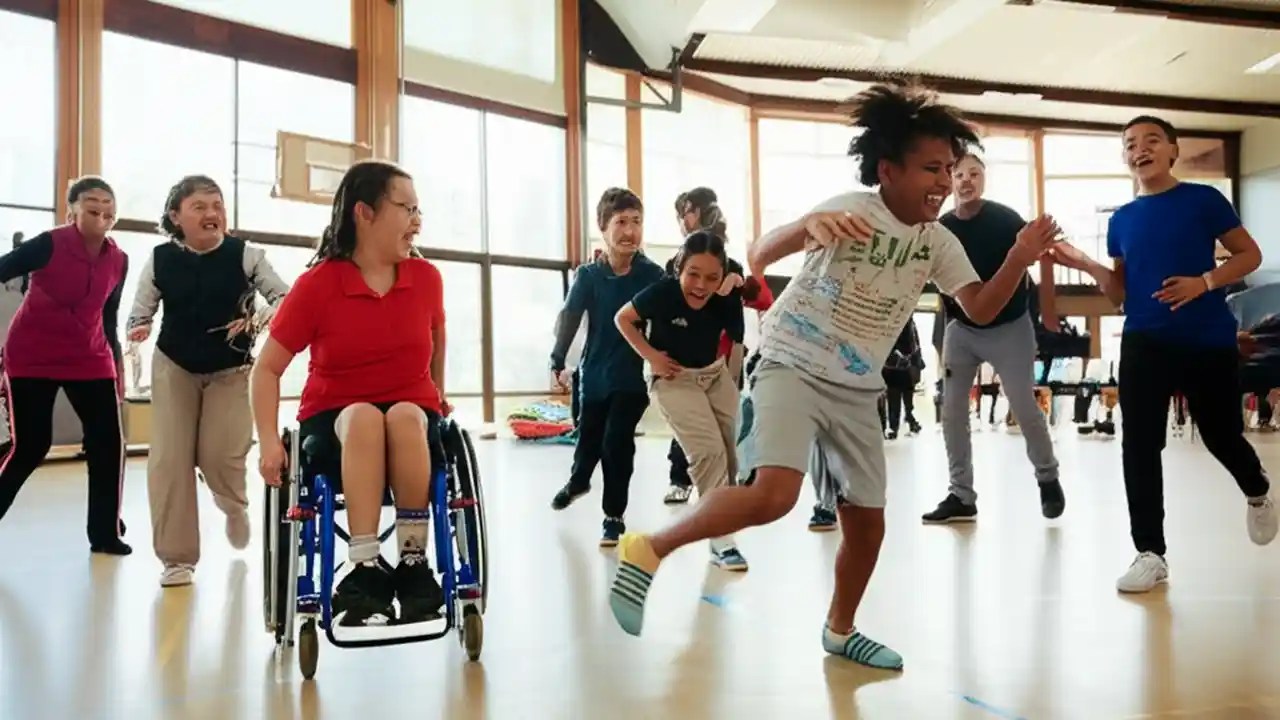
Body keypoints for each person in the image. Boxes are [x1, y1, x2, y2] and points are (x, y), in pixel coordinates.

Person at [606, 82, 1061, 669]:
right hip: (791, 363)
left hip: (857, 386)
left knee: (868, 525)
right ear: (888, 170)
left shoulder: (937, 242)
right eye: (931, 168)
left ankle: (841, 631)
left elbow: (977, 307)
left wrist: (1019, 259)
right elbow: (761, 251)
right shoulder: (850, 209)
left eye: (949, 168)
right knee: (774, 494)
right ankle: (650, 548)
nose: (944, 181)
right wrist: (806, 228)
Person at [1052, 115, 1276, 594]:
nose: (1140, 149)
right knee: (1139, 445)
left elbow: (1249, 255)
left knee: (1220, 435)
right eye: (1130, 143)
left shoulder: (1202, 200)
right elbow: (1121, 295)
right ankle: (1150, 552)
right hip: (1144, 340)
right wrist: (1086, 263)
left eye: (1151, 140)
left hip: (1206, 338)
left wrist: (1205, 282)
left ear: (1173, 151)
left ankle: (1257, 489)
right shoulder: (1123, 220)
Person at [252, 159, 448, 626]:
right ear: (365, 213)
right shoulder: (318, 285)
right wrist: (267, 442)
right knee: (363, 416)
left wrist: (437, 392)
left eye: (419, 209)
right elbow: (266, 369)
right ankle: (364, 565)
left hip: (411, 410)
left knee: (403, 416)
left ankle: (413, 561)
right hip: (334, 417)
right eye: (407, 209)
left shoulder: (426, 279)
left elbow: (438, 337)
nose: (417, 221)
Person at [128, 175, 290, 588]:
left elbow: (286, 301)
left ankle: (233, 505)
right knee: (170, 460)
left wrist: (258, 320)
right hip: (175, 366)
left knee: (219, 455)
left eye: (216, 205)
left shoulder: (247, 255)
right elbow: (141, 308)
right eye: (199, 206)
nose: (211, 213)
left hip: (231, 371)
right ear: (176, 216)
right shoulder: (161, 258)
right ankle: (177, 559)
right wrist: (139, 326)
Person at [923, 154, 1065, 525]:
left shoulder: (1006, 219)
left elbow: (1045, 255)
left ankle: (1047, 477)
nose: (966, 181)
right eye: (959, 175)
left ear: (984, 180)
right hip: (961, 329)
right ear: (950, 181)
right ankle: (961, 495)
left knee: (1024, 405)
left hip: (1010, 327)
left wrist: (1049, 311)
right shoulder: (941, 228)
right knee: (952, 412)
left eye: (974, 174)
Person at [0, 176, 131, 555]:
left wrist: (116, 369)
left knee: (108, 443)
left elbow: (109, 318)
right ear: (72, 209)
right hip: (33, 354)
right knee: (32, 445)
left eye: (109, 206)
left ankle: (105, 533)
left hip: (90, 357)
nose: (102, 211)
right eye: (92, 204)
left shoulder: (118, 260)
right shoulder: (49, 244)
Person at [616, 230, 749, 571]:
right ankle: (721, 540)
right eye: (693, 274)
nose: (701, 286)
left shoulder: (726, 296)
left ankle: (719, 520)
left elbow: (735, 343)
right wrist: (651, 357)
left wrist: (732, 387)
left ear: (722, 278)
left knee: (734, 451)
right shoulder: (662, 292)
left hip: (715, 375)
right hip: (674, 378)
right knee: (708, 452)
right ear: (679, 268)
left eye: (711, 277)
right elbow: (624, 319)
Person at [548, 188, 664, 546]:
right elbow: (569, 318)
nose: (630, 231)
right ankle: (579, 480)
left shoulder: (652, 275)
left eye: (637, 222)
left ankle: (613, 516)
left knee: (617, 443)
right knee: (588, 438)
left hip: (632, 378)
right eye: (621, 222)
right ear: (603, 227)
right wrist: (557, 360)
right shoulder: (588, 276)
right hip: (593, 375)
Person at [663, 187, 774, 505]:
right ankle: (681, 478)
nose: (681, 220)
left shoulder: (731, 262)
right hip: (687, 352)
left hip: (725, 355)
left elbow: (762, 298)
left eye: (684, 213)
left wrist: (740, 285)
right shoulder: (677, 264)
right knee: (688, 417)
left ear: (695, 212)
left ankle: (723, 480)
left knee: (724, 418)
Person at [878, 317, 923, 439]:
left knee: (898, 398)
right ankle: (904, 423)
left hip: (897, 366)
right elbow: (914, 344)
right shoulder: (907, 322)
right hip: (897, 367)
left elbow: (914, 344)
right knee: (899, 398)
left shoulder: (903, 322)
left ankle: (901, 424)